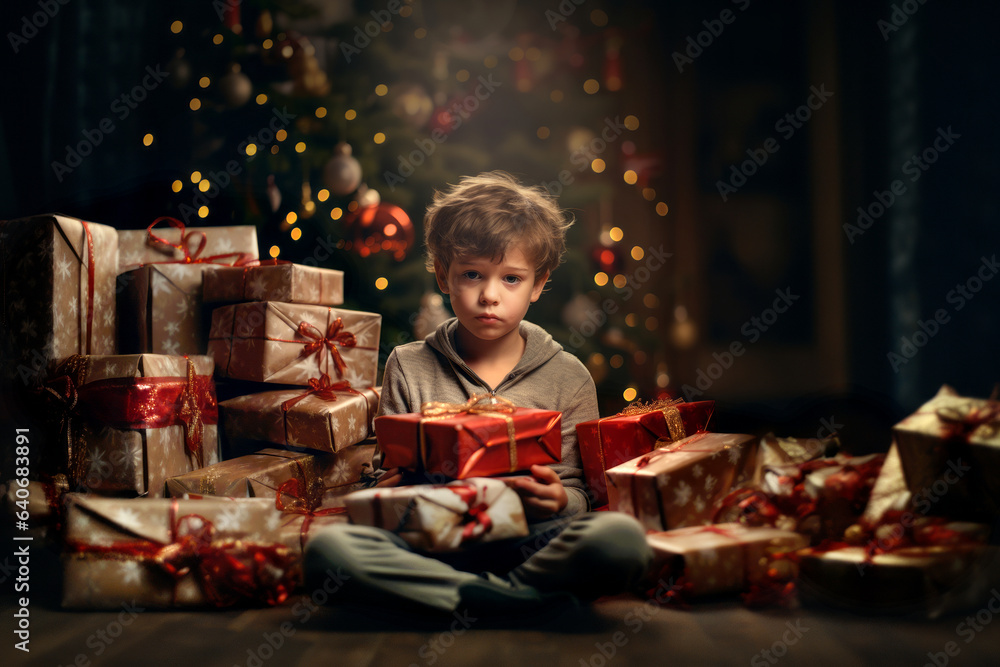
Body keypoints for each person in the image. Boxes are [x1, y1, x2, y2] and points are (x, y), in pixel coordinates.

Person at [305, 171, 651, 616]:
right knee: (328, 550)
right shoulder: (408, 365)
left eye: (511, 279)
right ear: (443, 276)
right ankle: (515, 601)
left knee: (620, 540)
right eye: (472, 274)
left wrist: (562, 498)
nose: (490, 296)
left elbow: (579, 494)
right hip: (432, 543)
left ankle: (459, 599)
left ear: (539, 284)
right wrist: (387, 487)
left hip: (532, 541)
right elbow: (384, 475)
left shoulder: (569, 376)